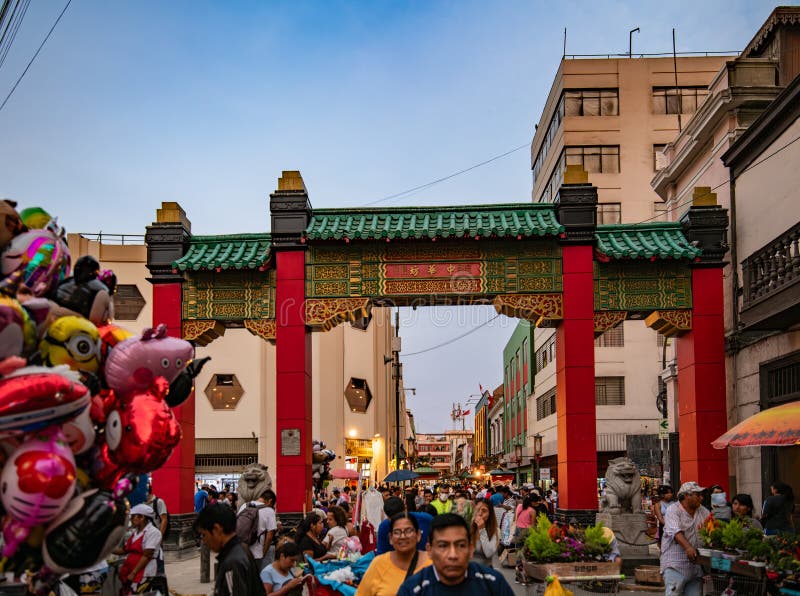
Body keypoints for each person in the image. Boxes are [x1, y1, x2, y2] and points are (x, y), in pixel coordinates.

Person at [397, 513, 514, 596]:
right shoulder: (412, 589)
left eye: (461, 545)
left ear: (471, 549)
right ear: (430, 550)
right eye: (443, 546)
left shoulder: (493, 583)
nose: (453, 555)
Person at [194, 502, 266, 596]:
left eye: (204, 535)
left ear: (216, 529)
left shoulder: (232, 562)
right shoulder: (242, 548)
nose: (204, 540)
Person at [357, 513, 432, 596]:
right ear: (390, 538)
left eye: (408, 531)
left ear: (418, 535)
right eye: (397, 532)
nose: (403, 536)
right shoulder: (378, 564)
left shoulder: (432, 562)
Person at [660, 482, 710, 596]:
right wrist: (688, 547)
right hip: (675, 564)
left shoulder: (703, 511)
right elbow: (675, 531)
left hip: (696, 565)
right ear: (686, 495)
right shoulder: (673, 510)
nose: (701, 498)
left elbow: (711, 528)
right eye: (698, 495)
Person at [115, 503, 163, 594]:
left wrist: (133, 573)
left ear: (142, 517)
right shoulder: (135, 532)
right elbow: (124, 550)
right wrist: (107, 550)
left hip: (144, 572)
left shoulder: (153, 532)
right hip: (131, 570)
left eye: (133, 517)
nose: (131, 519)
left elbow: (147, 555)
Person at [145, 485, 169, 575]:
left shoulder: (158, 502)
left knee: (158, 560)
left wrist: (160, 536)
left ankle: (159, 579)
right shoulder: (142, 503)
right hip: (144, 537)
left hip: (155, 537)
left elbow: (164, 520)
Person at [470, 498, 499, 567]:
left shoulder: (495, 530)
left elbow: (488, 553)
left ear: (490, 514)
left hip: (485, 570)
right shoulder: (468, 528)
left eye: (484, 511)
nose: (480, 514)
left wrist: (482, 529)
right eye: (477, 510)